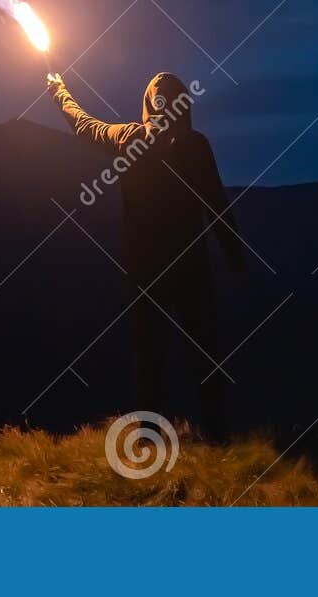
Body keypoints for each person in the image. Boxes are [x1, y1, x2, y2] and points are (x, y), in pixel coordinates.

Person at [45, 70, 245, 440]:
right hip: (192, 271)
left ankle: (148, 443)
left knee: (149, 359)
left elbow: (83, 123)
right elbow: (219, 211)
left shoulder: (129, 138)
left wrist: (59, 90)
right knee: (205, 355)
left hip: (143, 275)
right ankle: (217, 439)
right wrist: (240, 266)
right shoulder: (195, 146)